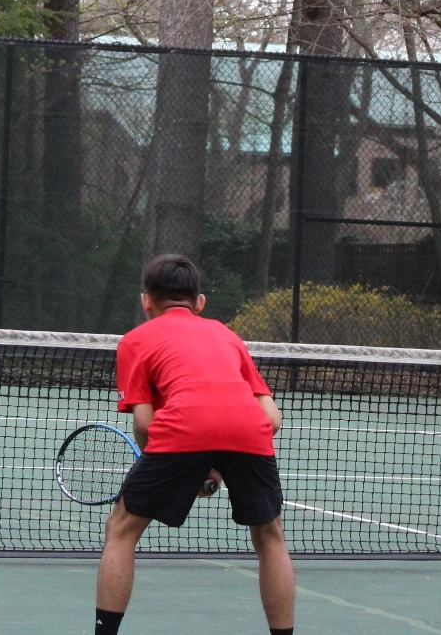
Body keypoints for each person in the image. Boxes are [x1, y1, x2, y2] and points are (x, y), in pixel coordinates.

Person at [95, 254, 293, 635]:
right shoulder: (227, 335)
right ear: (199, 302)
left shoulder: (135, 341)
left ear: (145, 301)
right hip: (250, 431)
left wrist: (176, 462)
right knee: (271, 536)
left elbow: (144, 423)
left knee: (121, 529)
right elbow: (272, 419)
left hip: (182, 431)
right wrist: (211, 462)